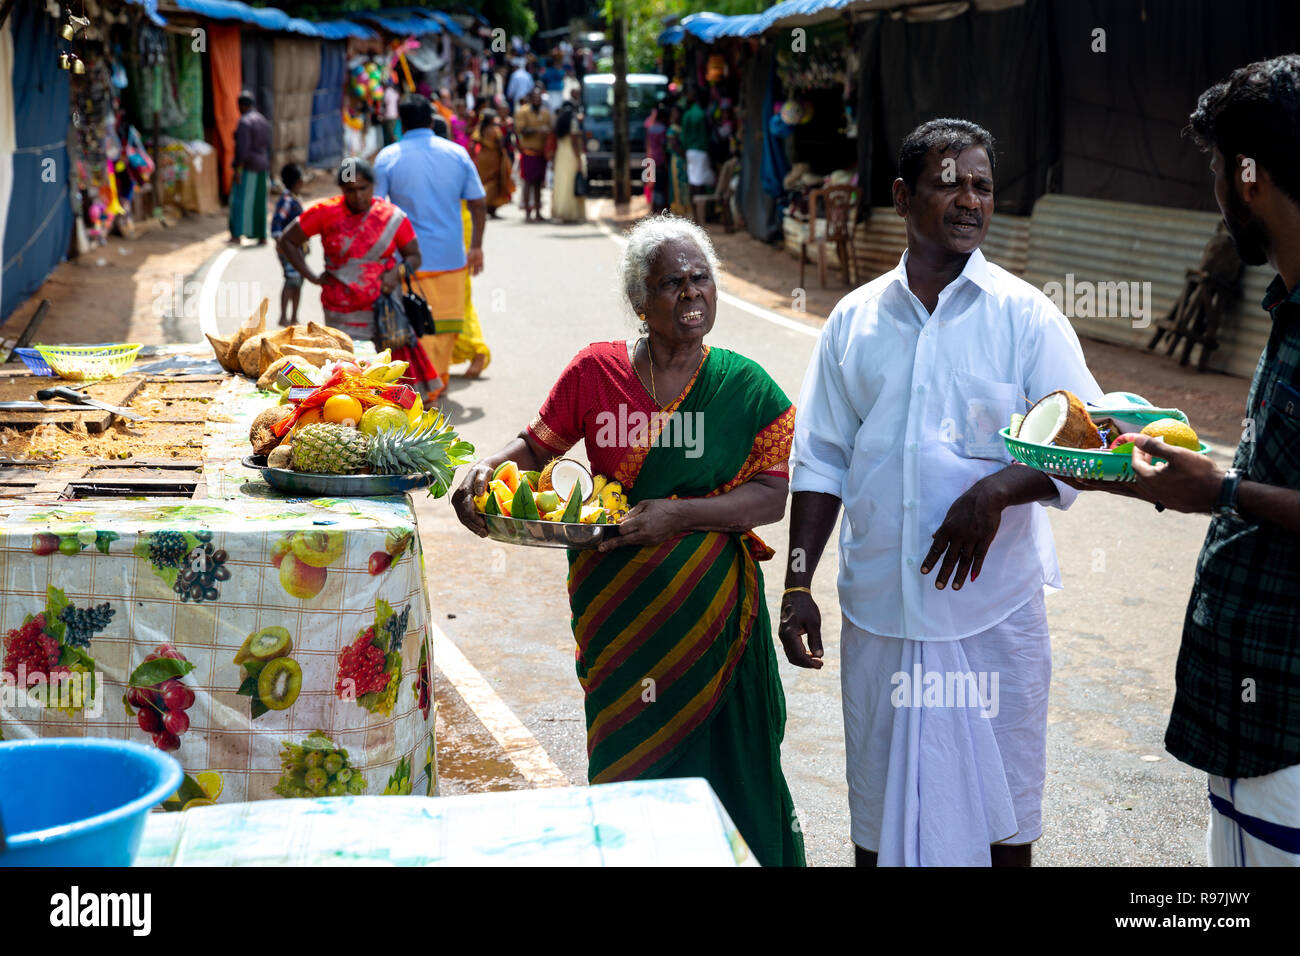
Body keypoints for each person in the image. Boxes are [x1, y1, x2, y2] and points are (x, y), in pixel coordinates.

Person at [780, 119, 1103, 867]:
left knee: (1003, 827)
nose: (969, 200)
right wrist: (797, 583)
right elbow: (820, 461)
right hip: (882, 618)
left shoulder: (1026, 316)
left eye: (983, 186)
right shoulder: (854, 321)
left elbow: (1091, 445)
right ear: (902, 196)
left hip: (992, 620)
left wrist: (997, 491)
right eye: (950, 183)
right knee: (879, 824)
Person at [451, 215, 805, 867]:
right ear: (640, 300)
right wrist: (486, 469)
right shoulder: (597, 371)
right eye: (673, 282)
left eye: (702, 278)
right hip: (618, 616)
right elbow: (536, 447)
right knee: (628, 760)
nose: (692, 292)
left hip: (715, 620)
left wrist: (680, 516)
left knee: (731, 763)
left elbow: (772, 495)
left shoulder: (744, 384)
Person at [1071, 55, 1300, 866]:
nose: (1215, 191)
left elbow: (1246, 492)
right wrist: (1177, 475)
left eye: (1217, 169)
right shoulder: (1287, 303)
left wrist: (1225, 490)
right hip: (1250, 727)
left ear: (1249, 179)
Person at [275, 158, 442, 398]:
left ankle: (401, 405)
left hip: (383, 306)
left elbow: (414, 256)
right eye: (350, 190)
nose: (358, 196)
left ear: (373, 186)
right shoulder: (326, 212)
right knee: (347, 367)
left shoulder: (391, 216)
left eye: (363, 188)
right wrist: (311, 277)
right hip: (340, 310)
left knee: (389, 364)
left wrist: (396, 273)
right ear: (342, 190)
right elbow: (287, 240)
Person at [374, 94, 487, 400]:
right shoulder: (457, 154)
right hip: (451, 256)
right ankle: (438, 381)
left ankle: (422, 386)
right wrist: (476, 246)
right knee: (445, 324)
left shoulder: (387, 157)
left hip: (406, 260)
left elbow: (377, 209)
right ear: (431, 120)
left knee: (414, 326)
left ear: (401, 123)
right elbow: (478, 202)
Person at [230, 91, 272, 244]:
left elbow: (242, 149)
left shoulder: (245, 122)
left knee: (240, 200)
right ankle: (262, 236)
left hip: (249, 167)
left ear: (242, 106)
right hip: (263, 165)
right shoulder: (263, 120)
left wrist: (238, 169)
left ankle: (236, 234)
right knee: (260, 202)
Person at [269, 163, 305, 327]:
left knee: (298, 282)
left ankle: (294, 317)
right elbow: (276, 226)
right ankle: (283, 317)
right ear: (298, 182)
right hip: (289, 250)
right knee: (291, 280)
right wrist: (281, 245)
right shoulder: (287, 201)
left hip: (298, 249)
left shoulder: (295, 199)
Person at [514, 85, 553, 223]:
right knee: (528, 183)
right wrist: (538, 130)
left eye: (539, 98)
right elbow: (520, 130)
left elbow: (550, 128)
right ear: (530, 99)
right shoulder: (523, 112)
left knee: (538, 184)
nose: (537, 100)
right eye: (534, 98)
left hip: (541, 153)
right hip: (528, 152)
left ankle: (538, 211)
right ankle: (527, 213)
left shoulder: (545, 113)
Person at [472, 109, 514, 219]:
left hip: (482, 158)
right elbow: (501, 144)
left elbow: (473, 143)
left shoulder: (478, 129)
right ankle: (491, 209)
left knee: (483, 182)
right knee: (494, 183)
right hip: (494, 158)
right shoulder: (495, 130)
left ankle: (484, 207)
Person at [550, 100, 586, 223]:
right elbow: (574, 143)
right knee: (571, 184)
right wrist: (579, 160)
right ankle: (572, 214)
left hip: (561, 155)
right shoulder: (573, 121)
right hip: (571, 155)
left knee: (562, 183)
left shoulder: (558, 122)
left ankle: (562, 212)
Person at [681, 88, 715, 194]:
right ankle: (700, 204)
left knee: (693, 181)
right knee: (700, 183)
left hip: (690, 152)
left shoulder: (687, 114)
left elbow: (683, 136)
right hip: (701, 151)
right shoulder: (702, 115)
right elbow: (707, 134)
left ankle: (693, 204)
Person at [666, 105, 691, 217]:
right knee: (677, 183)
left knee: (684, 183)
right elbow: (674, 146)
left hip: (682, 160)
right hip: (677, 160)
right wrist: (685, 155)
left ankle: (685, 208)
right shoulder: (672, 129)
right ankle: (679, 209)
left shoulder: (681, 127)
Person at [643, 106, 669, 212]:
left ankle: (653, 207)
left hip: (651, 157)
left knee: (653, 183)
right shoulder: (662, 128)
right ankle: (659, 209)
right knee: (660, 184)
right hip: (660, 159)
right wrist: (665, 161)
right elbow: (663, 146)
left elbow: (648, 143)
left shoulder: (651, 128)